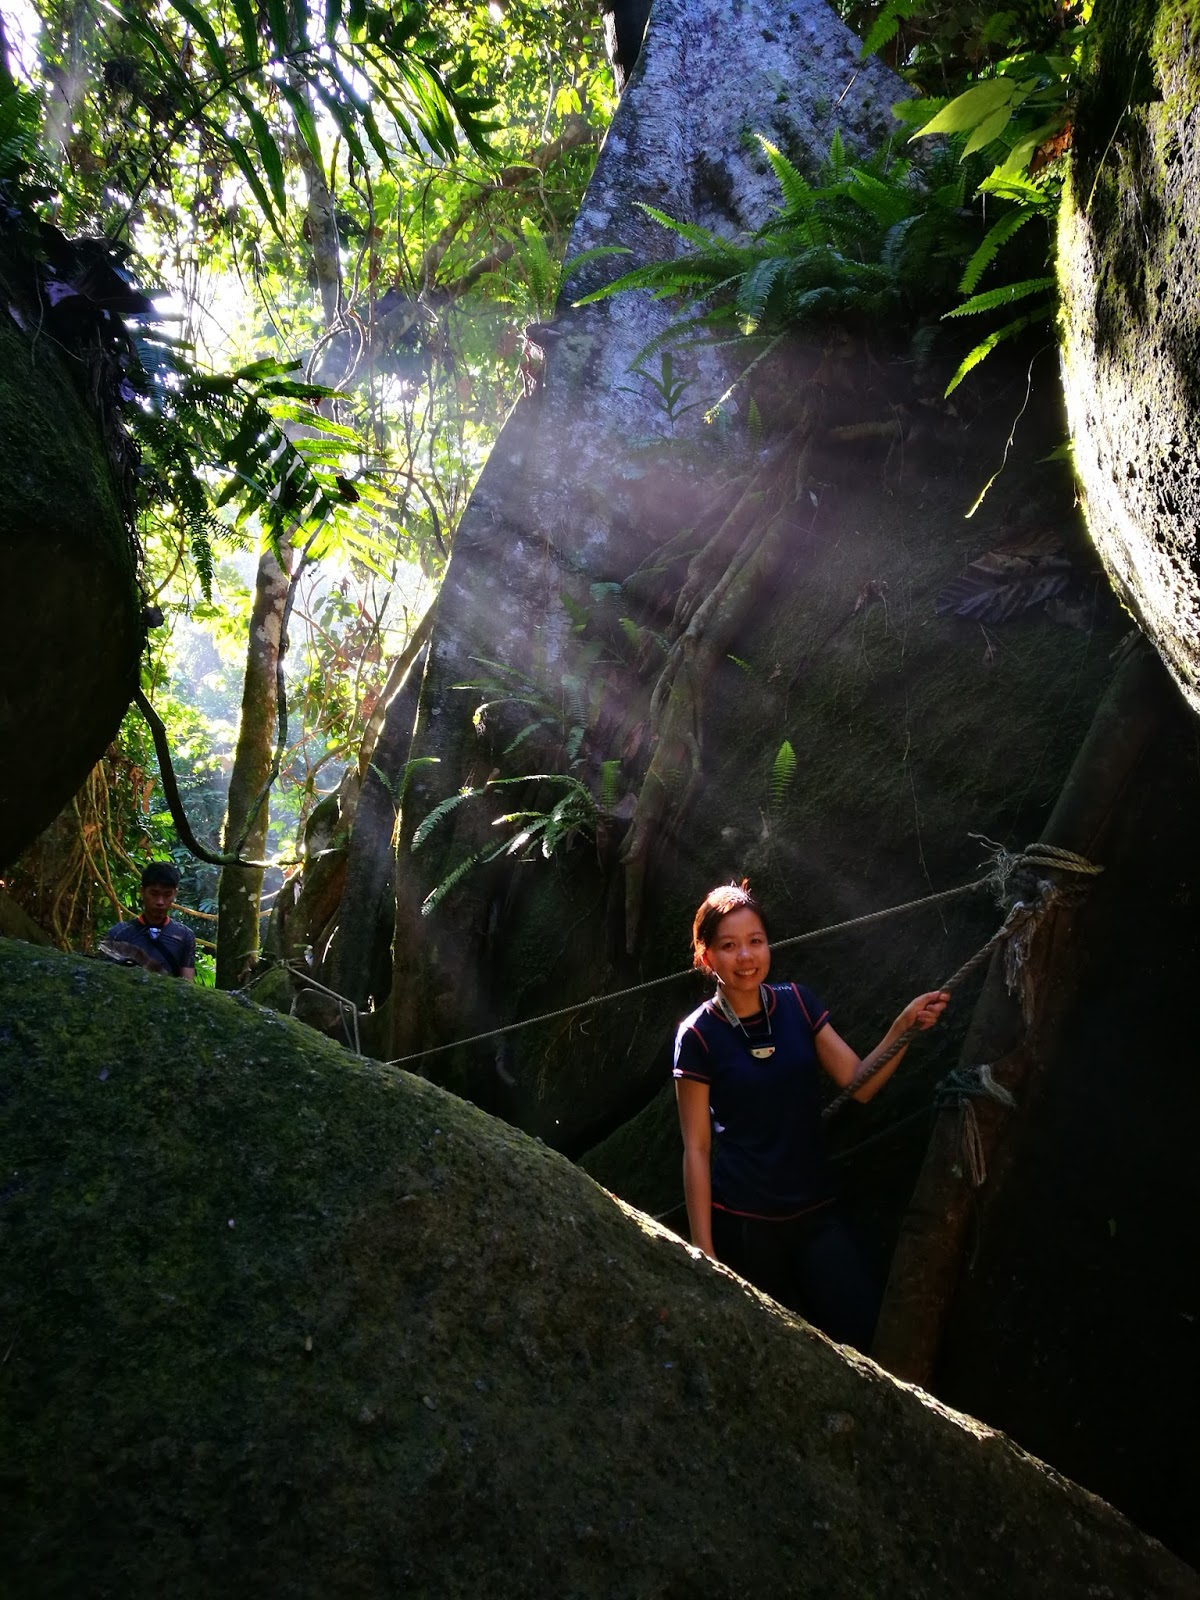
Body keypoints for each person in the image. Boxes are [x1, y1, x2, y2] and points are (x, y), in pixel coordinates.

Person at [673, 880, 948, 1350]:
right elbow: (696, 1148)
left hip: (815, 1211)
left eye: (755, 942)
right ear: (706, 957)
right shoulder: (697, 1035)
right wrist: (705, 1250)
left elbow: (859, 1083)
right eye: (729, 946)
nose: (746, 957)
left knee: (862, 1332)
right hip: (745, 1222)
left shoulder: (797, 1003)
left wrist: (903, 1029)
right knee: (768, 1349)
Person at [100, 862, 196, 981]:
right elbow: (106, 979)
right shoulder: (119, 933)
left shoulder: (185, 936)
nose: (160, 902)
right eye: (154, 894)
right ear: (142, 891)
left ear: (175, 894)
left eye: (167, 895)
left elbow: (187, 987)